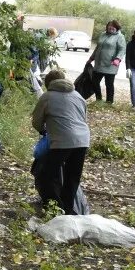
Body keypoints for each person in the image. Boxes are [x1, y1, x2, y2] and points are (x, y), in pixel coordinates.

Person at [31, 69, 91, 215]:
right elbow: (83, 119)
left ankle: (54, 206)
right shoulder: (78, 96)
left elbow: (36, 122)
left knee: (46, 174)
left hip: (61, 141)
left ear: (48, 84)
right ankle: (68, 210)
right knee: (72, 177)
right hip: (83, 140)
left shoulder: (47, 97)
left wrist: (43, 130)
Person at [87, 20, 126, 103]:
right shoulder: (102, 34)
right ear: (107, 26)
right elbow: (97, 48)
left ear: (116, 28)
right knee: (94, 82)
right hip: (99, 64)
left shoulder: (120, 37)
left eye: (113, 26)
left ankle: (109, 101)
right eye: (109, 26)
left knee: (109, 84)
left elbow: (122, 49)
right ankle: (99, 99)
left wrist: (118, 59)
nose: (111, 28)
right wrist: (91, 58)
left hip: (111, 64)